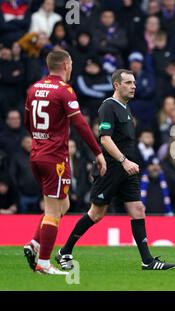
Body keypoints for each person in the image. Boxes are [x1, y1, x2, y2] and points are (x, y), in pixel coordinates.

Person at [55, 69, 175, 271]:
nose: (133, 86)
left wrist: (128, 163)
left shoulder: (126, 108)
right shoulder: (108, 107)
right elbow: (105, 139)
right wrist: (123, 160)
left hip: (127, 169)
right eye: (128, 82)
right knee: (96, 213)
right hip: (111, 168)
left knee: (138, 209)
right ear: (116, 85)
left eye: (134, 82)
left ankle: (147, 261)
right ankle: (64, 251)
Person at [22, 50, 106, 275]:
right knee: (52, 209)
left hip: (37, 154)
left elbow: (27, 123)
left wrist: (41, 139)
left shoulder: (34, 89)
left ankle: (35, 244)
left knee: (63, 205)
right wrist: (97, 153)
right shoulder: (64, 91)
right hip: (55, 158)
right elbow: (80, 124)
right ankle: (44, 263)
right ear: (67, 65)